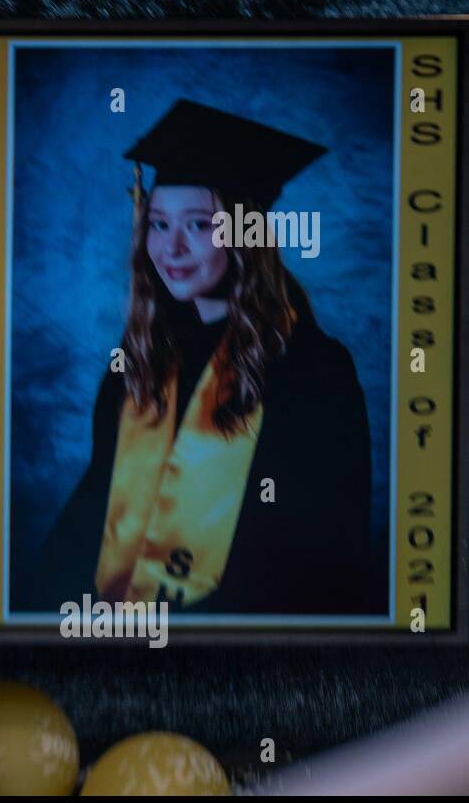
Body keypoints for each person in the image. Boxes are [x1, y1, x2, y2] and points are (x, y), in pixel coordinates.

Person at [20, 99, 379, 616]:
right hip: (113, 646)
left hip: (240, 656)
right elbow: (98, 506)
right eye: (159, 225)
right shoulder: (141, 358)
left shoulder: (313, 371)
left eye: (198, 225)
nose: (173, 248)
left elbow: (322, 551)